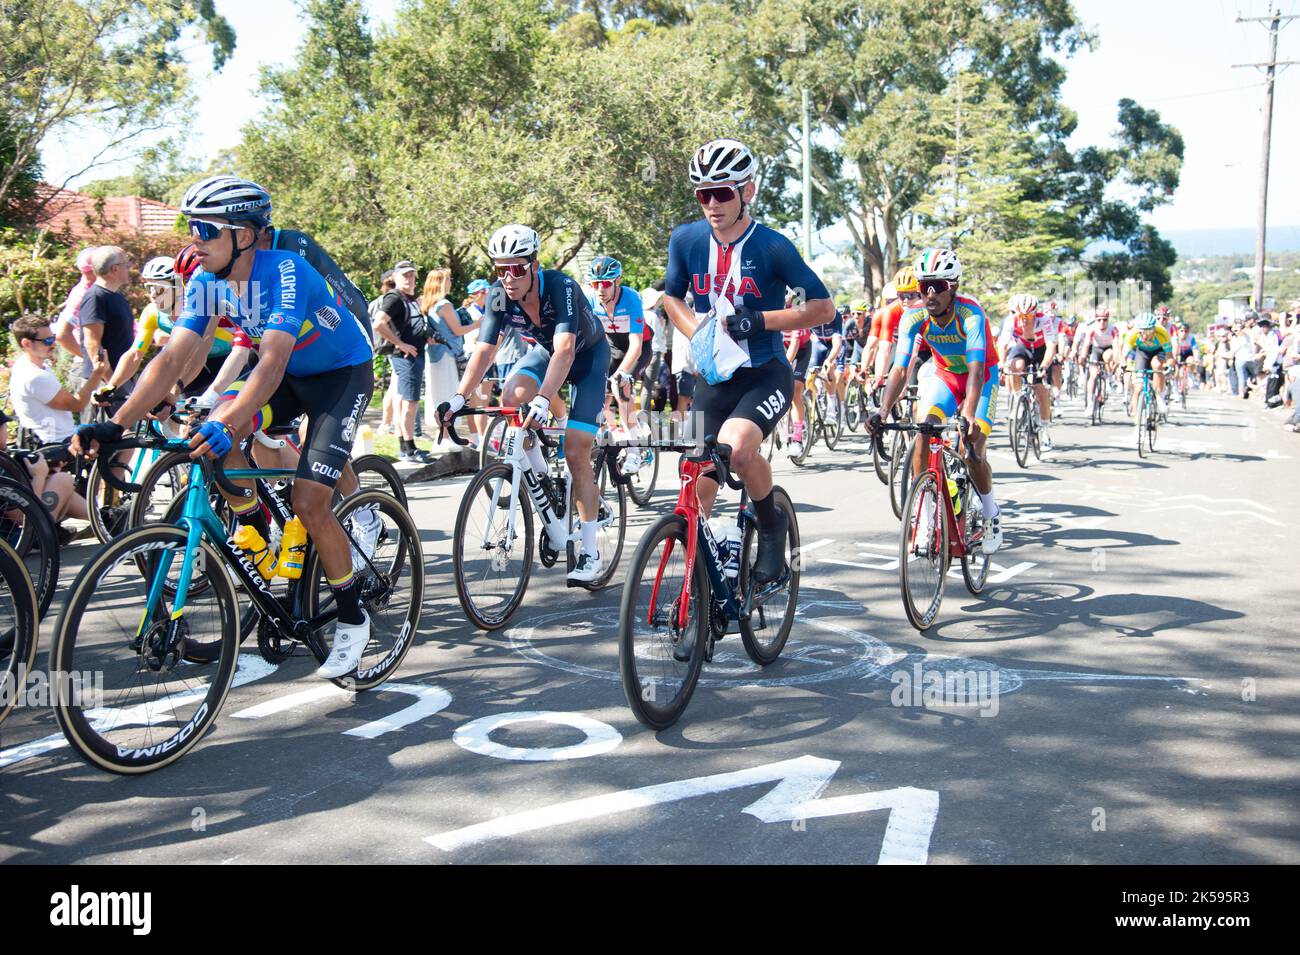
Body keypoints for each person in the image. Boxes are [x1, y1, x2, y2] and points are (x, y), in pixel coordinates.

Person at [73, 174, 378, 681]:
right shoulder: (206, 282)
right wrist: (115, 423)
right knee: (210, 438)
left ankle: (351, 615)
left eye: (205, 230)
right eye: (191, 228)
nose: (194, 240)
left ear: (245, 234)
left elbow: (272, 362)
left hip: (338, 377)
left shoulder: (286, 269)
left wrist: (229, 421)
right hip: (287, 378)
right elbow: (170, 359)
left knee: (308, 500)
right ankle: (255, 525)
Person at [661, 138, 835, 583]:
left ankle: (772, 526)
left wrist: (759, 321)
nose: (713, 204)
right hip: (715, 377)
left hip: (765, 373)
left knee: (737, 450)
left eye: (723, 193)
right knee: (694, 478)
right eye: (703, 194)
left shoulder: (772, 247)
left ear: (748, 192)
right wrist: (698, 333)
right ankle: (705, 588)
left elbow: (823, 308)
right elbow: (671, 297)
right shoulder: (685, 240)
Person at [439, 224, 610, 582]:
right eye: (501, 268)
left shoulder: (561, 287)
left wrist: (545, 399)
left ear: (534, 264)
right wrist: (457, 398)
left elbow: (565, 350)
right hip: (546, 355)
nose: (509, 276)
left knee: (576, 451)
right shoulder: (500, 294)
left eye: (517, 267)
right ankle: (547, 483)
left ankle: (591, 553)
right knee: (512, 398)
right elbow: (484, 350)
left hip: (587, 359)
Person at [867, 248, 1003, 554]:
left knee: (974, 449)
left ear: (952, 286)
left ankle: (992, 513)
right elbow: (900, 368)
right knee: (924, 430)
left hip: (980, 379)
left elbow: (977, 369)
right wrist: (883, 410)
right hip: (945, 377)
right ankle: (926, 515)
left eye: (938, 286)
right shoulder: (913, 318)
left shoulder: (971, 314)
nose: (930, 294)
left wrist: (967, 415)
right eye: (923, 286)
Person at [374, 261, 431, 463]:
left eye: (412, 275)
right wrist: (401, 344)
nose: (410, 279)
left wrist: (426, 337)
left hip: (414, 355)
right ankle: (408, 449)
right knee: (410, 403)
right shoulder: (395, 298)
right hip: (406, 358)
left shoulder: (410, 299)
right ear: (396, 278)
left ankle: (407, 447)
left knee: (404, 402)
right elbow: (379, 323)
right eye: (405, 275)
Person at [586, 255, 648, 439]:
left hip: (639, 348)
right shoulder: (590, 299)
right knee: (599, 392)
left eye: (605, 283)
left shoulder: (631, 298)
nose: (599, 289)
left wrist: (621, 373)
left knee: (620, 388)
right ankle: (607, 438)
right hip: (612, 348)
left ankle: (635, 446)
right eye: (595, 284)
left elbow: (636, 344)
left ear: (617, 280)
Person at [421, 267, 480, 451]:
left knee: (437, 393)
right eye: (448, 279)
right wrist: (479, 323)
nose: (451, 282)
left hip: (434, 354)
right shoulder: (444, 305)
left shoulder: (428, 305)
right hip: (447, 355)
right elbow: (458, 330)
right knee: (447, 392)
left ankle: (442, 437)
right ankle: (445, 437)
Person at [997, 292, 1057, 452]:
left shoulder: (1044, 320)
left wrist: (1044, 366)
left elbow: (1051, 346)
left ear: (1035, 313)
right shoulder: (1011, 320)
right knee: (1015, 366)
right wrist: (1001, 364)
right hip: (1023, 347)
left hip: (1041, 350)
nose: (1024, 319)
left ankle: (1044, 431)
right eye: (1021, 315)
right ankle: (1018, 398)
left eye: (1028, 316)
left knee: (1041, 391)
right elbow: (1002, 344)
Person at [77, 246, 136, 395]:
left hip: (119, 380)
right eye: (126, 264)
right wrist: (111, 384)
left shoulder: (116, 295)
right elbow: (92, 343)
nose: (129, 268)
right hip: (103, 383)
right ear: (114, 269)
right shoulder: (95, 297)